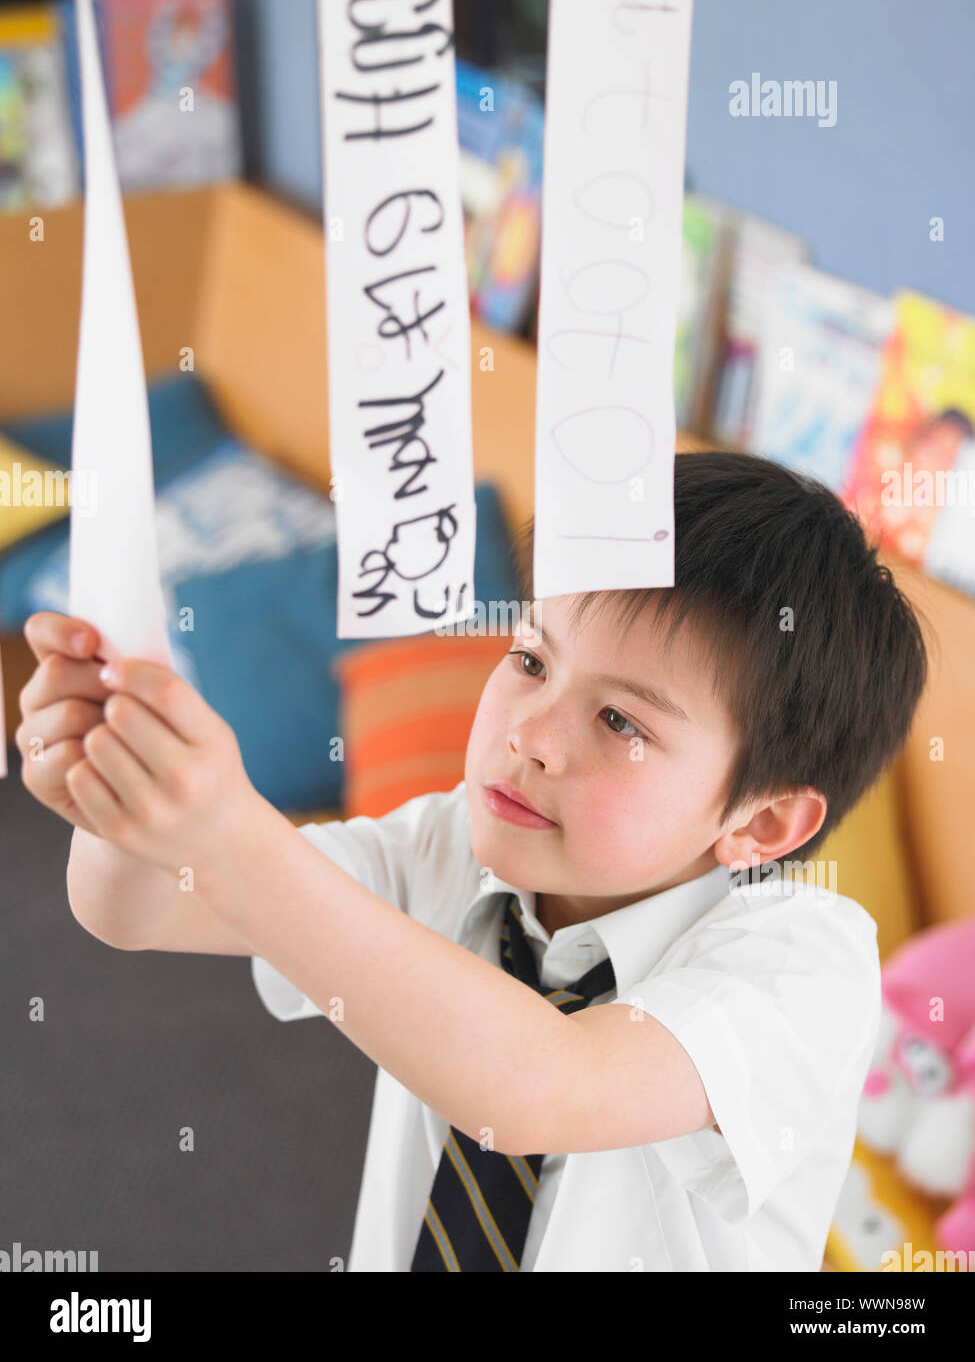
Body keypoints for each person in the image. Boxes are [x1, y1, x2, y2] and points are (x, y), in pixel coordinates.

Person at [15, 451, 928, 1272]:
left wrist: (226, 829)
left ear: (763, 825)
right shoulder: (450, 844)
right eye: (529, 658)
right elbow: (138, 911)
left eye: (620, 722)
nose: (528, 734)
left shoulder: (802, 961)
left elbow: (537, 1088)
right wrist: (115, 786)